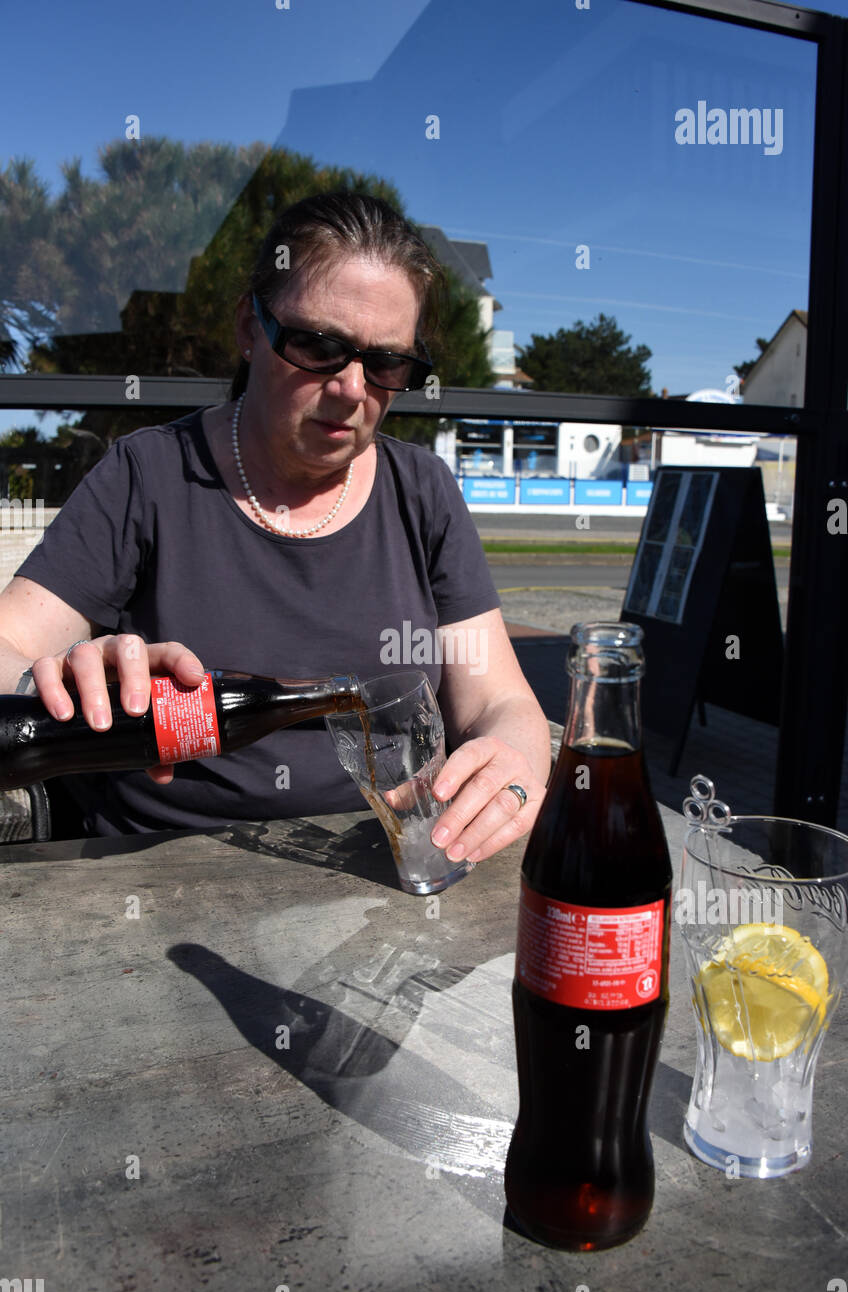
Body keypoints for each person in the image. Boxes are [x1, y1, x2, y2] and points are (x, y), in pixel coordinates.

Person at [0, 191, 551, 861]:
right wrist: (51, 683)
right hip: (161, 870)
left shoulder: (422, 490)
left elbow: (496, 698)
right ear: (248, 327)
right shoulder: (149, 474)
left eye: (386, 364)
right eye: (319, 346)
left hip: (381, 861)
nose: (352, 388)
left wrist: (518, 766)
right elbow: (8, 643)